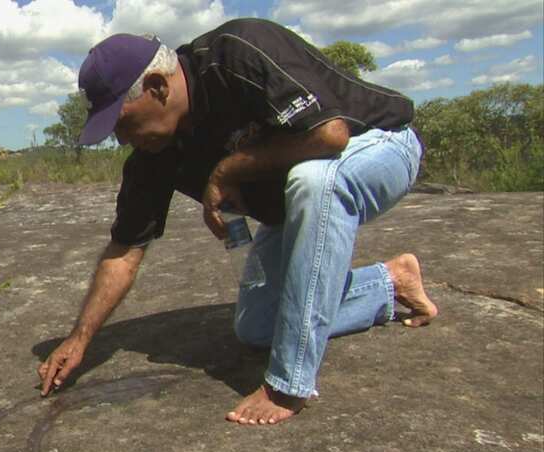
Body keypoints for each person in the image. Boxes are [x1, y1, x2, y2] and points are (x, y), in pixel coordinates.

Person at [36, 18, 439, 426]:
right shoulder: (153, 156)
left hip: (380, 144)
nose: (121, 139)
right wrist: (81, 337)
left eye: (122, 122)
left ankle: (290, 384)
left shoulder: (236, 53)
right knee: (257, 328)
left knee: (314, 179)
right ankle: (389, 282)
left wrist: (226, 171)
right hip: (294, 206)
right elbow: (125, 249)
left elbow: (329, 136)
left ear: (157, 87)